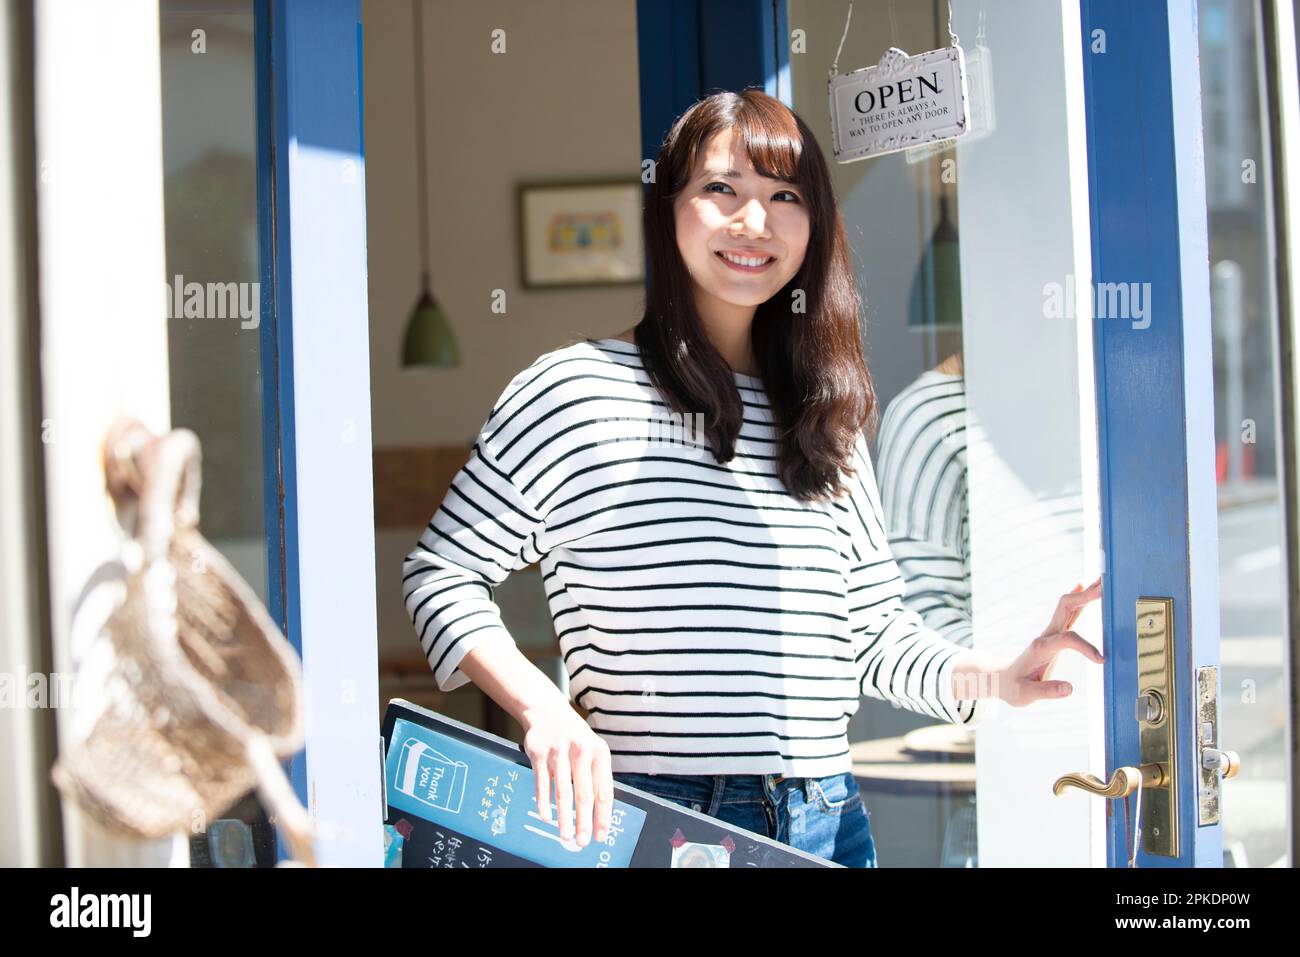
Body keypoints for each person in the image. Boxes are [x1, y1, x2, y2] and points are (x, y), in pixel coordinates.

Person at [402, 88, 1104, 868]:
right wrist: (543, 710)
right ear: (668, 208)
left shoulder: (824, 416)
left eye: (785, 196)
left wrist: (998, 676)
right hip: (654, 814)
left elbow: (871, 636)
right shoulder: (576, 389)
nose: (754, 221)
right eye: (721, 189)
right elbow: (441, 574)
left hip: (828, 815)